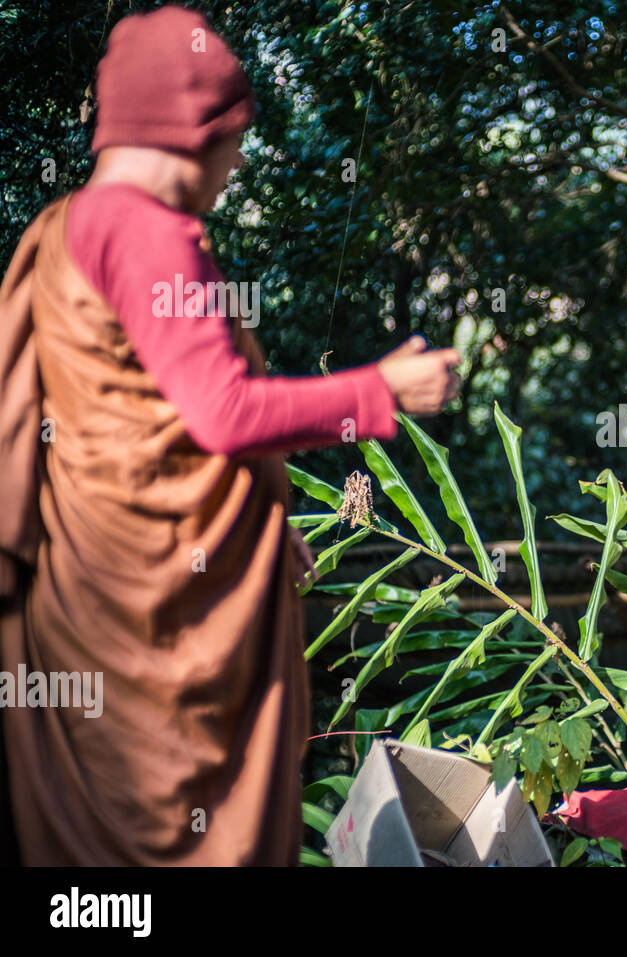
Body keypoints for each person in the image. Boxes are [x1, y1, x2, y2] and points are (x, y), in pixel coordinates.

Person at [0, 6, 460, 864]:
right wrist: (380, 389)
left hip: (87, 603)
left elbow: (140, 433)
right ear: (191, 129)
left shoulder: (63, 229)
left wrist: (246, 521)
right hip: (157, 635)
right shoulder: (143, 230)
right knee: (176, 839)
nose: (239, 161)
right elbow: (218, 412)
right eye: (236, 135)